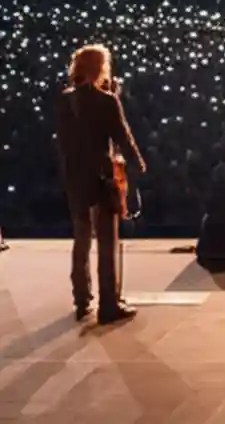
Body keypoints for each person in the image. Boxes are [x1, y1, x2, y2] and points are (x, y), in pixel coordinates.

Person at [53, 44, 147, 324]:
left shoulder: (64, 100)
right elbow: (122, 135)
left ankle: (82, 300)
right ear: (100, 68)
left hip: (75, 177)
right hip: (103, 177)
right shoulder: (106, 101)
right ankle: (109, 303)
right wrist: (138, 163)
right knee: (108, 242)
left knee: (81, 239)